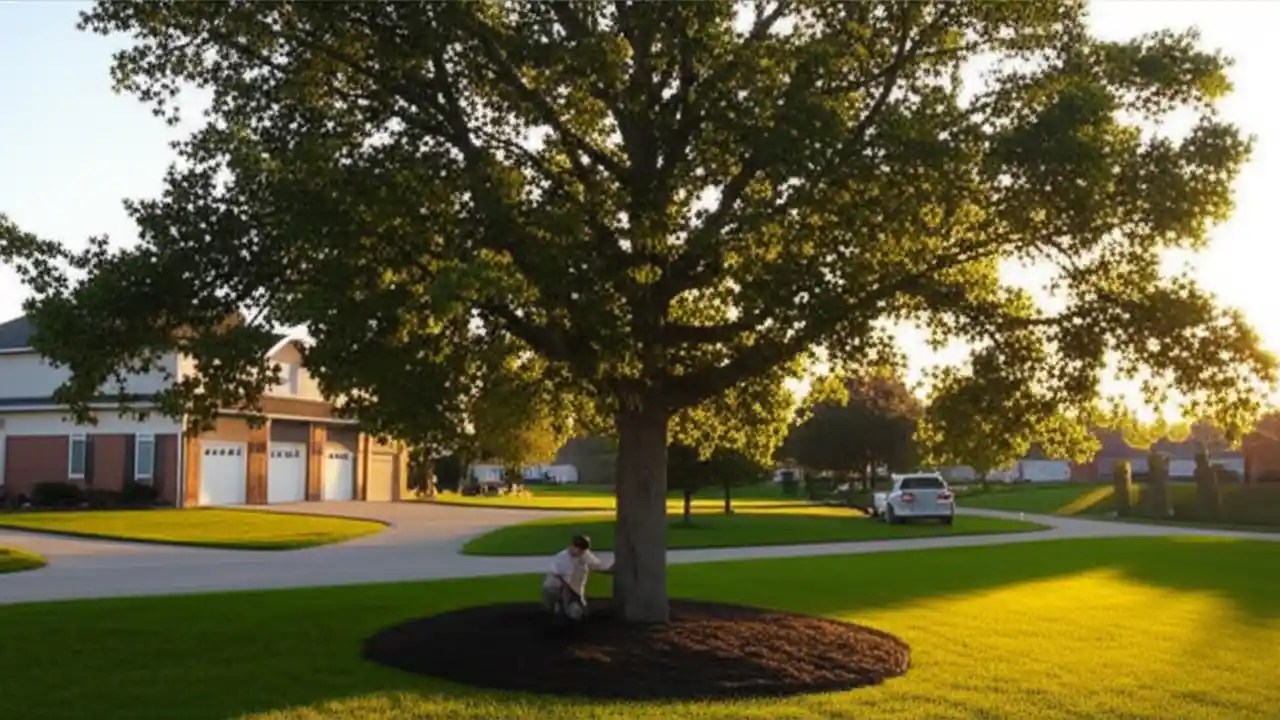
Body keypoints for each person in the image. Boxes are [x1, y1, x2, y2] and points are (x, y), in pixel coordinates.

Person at [542, 534, 612, 620]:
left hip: (573, 588)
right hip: (557, 586)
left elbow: (597, 565)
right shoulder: (562, 558)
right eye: (579, 550)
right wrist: (574, 596)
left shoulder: (584, 555)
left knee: (576, 612)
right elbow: (560, 578)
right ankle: (554, 611)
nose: (581, 553)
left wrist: (610, 569)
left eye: (583, 551)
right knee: (555, 598)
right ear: (573, 546)